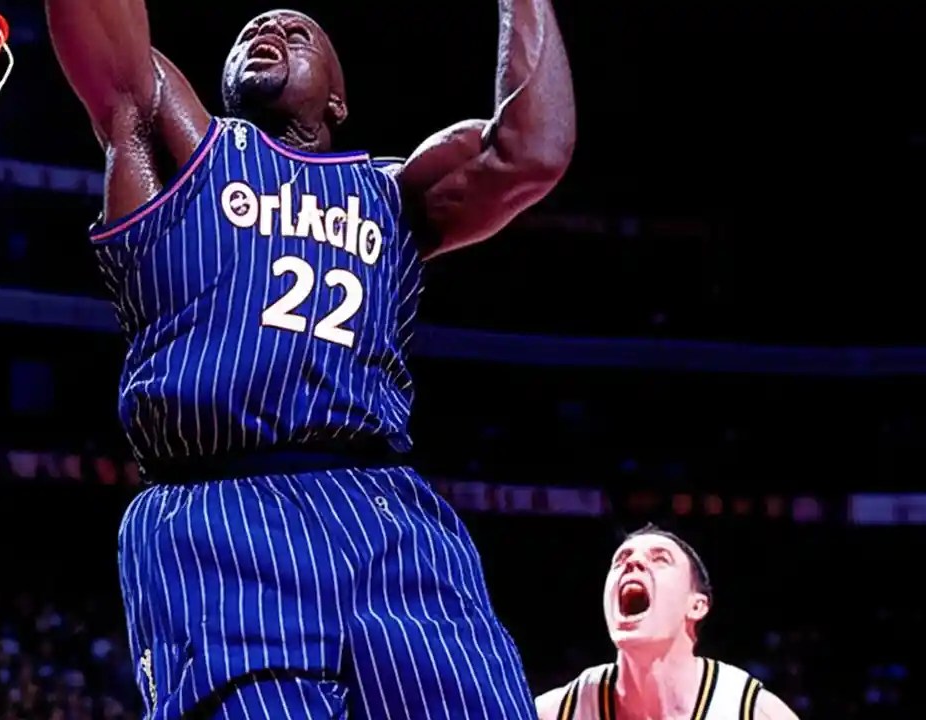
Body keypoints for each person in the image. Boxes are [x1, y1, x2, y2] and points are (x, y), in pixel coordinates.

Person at [45, 0, 575, 716]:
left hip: (383, 512)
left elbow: (529, 152)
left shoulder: (395, 197)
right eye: (249, 32)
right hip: (220, 520)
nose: (267, 31)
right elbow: (111, 55)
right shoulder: (179, 146)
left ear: (338, 100)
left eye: (297, 32)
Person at [535, 525, 801, 720]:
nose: (633, 562)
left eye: (660, 559)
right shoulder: (557, 711)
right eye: (621, 559)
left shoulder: (750, 710)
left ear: (696, 605)